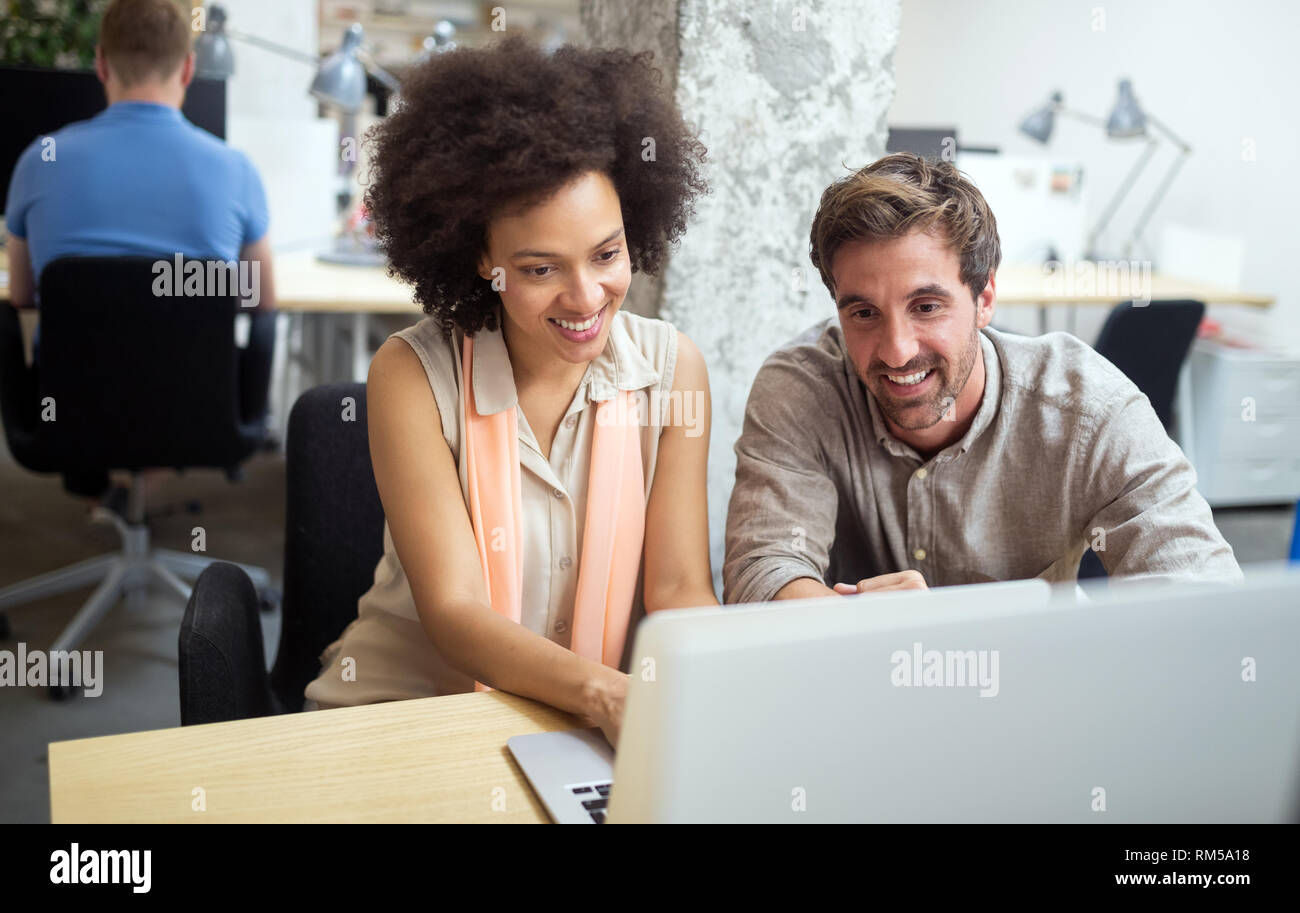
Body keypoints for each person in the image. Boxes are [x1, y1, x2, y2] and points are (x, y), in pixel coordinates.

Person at [304, 37, 716, 748]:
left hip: (576, 730)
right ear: (481, 257)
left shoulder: (675, 373)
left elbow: (680, 591)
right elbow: (456, 610)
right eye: (539, 269)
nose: (586, 296)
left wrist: (729, 675)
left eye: (607, 254)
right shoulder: (411, 375)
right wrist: (604, 694)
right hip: (403, 718)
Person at [724, 152, 1241, 605]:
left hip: (1029, 697)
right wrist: (869, 629)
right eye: (863, 313)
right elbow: (762, 574)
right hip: (854, 692)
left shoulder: (1088, 410)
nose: (898, 350)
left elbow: (1201, 598)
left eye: (926, 306)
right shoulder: (801, 390)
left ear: (985, 299)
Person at [3, 0, 276, 505]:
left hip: (69, 409)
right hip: (197, 410)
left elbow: (21, 295)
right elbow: (259, 300)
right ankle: (143, 487)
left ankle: (115, 493)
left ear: (101, 63)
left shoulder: (40, 160)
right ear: (189, 67)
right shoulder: (235, 169)